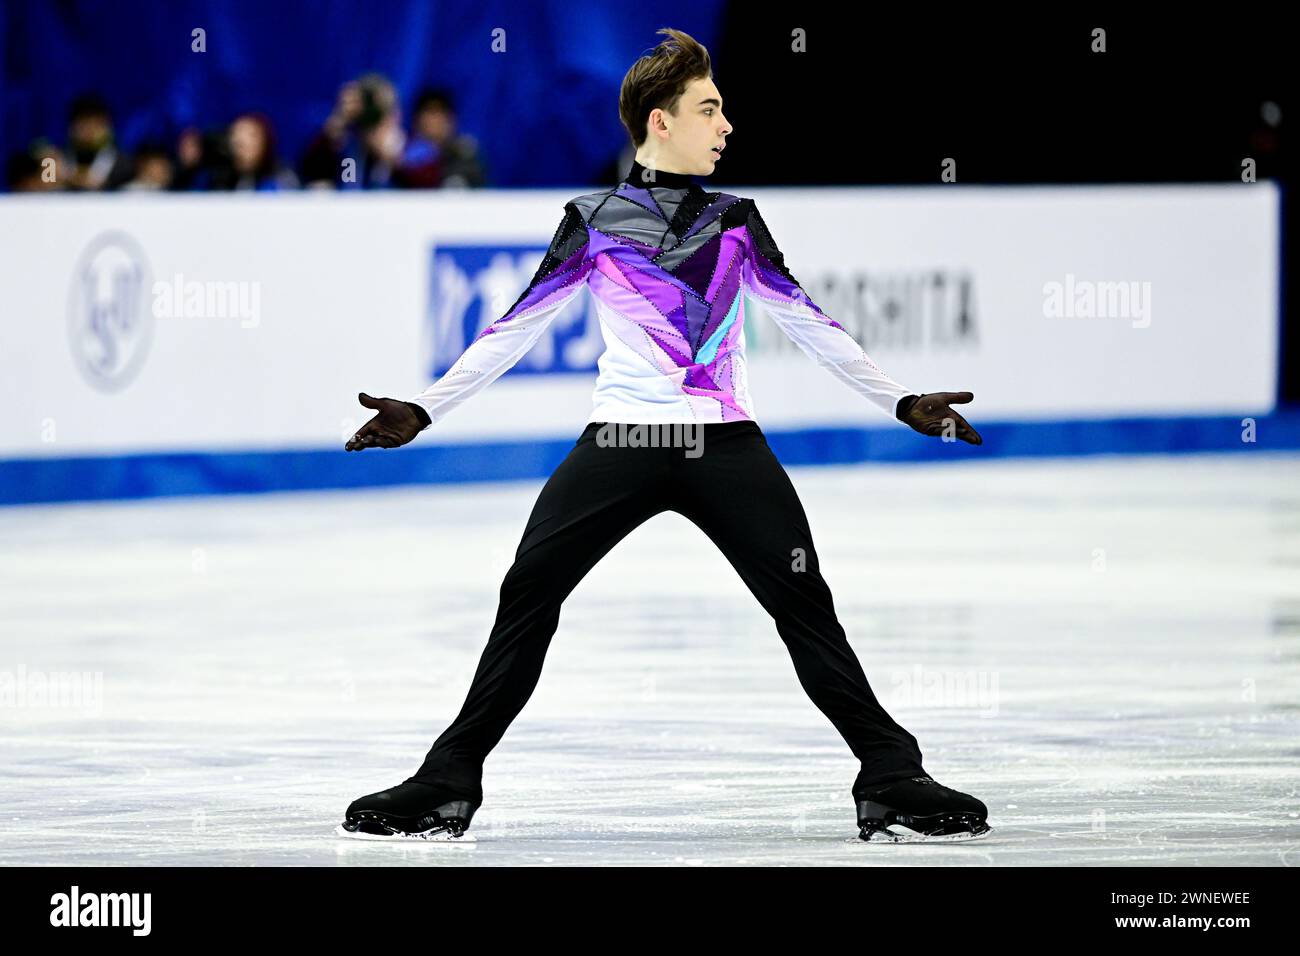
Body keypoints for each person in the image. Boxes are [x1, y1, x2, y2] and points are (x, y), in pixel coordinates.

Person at [338, 28, 990, 844]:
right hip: (621, 444)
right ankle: (446, 781)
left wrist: (898, 401)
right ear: (659, 122)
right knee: (528, 591)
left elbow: (808, 321)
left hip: (725, 445)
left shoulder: (737, 220)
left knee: (803, 600)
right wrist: (428, 407)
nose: (726, 126)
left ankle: (892, 774)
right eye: (709, 110)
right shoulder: (594, 220)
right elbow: (515, 327)